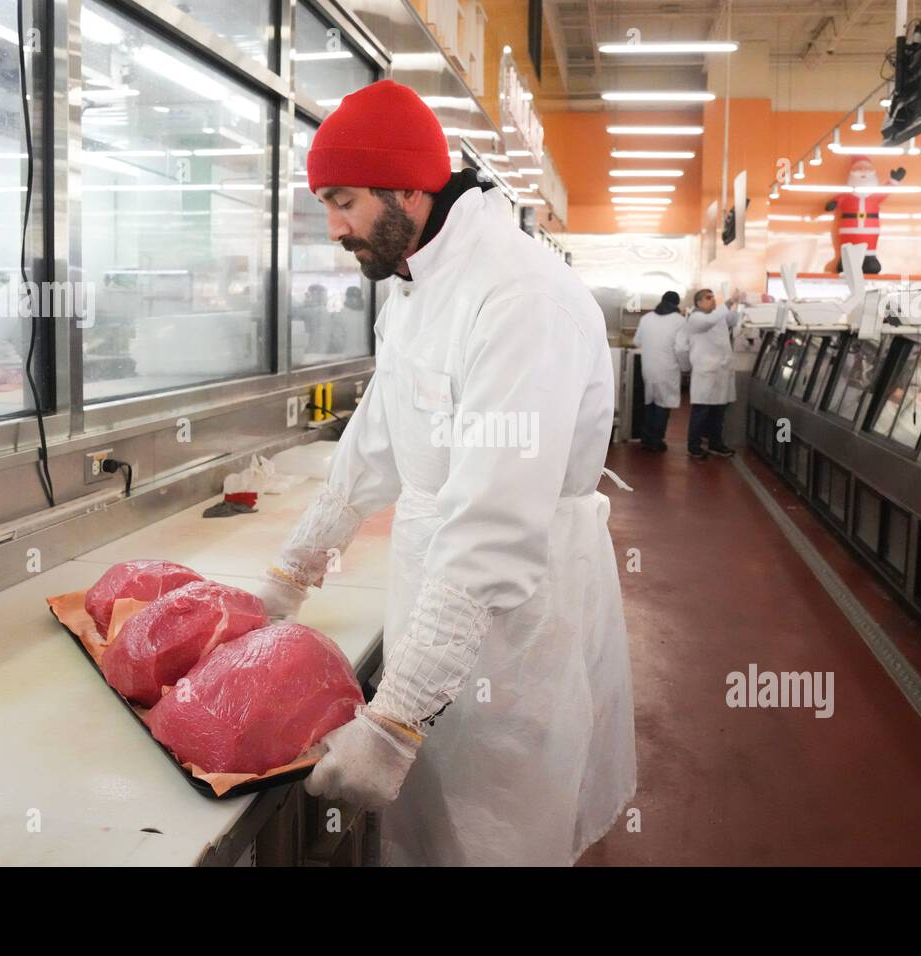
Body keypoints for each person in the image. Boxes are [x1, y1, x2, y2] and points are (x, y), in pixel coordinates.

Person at [254, 80, 636, 866]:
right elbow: (378, 437)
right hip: (433, 591)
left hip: (515, 617)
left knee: (501, 825)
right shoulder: (417, 288)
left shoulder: (518, 297)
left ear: (407, 187)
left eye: (344, 200)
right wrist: (294, 568)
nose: (333, 227)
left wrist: (393, 724)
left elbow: (495, 524)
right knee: (433, 831)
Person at [677, 288, 741, 459]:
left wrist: (741, 303)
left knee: (718, 411)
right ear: (698, 302)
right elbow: (710, 321)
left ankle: (716, 443)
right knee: (702, 411)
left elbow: (733, 319)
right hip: (706, 372)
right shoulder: (696, 319)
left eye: (713, 297)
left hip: (721, 371)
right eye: (708, 298)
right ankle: (694, 446)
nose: (712, 300)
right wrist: (729, 302)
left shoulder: (717, 316)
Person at [632, 291, 685, 452]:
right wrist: (686, 367)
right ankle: (656, 440)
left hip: (648, 367)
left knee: (650, 402)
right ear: (677, 304)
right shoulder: (680, 321)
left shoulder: (646, 318)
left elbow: (636, 341)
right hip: (667, 368)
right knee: (663, 404)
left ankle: (646, 437)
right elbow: (681, 348)